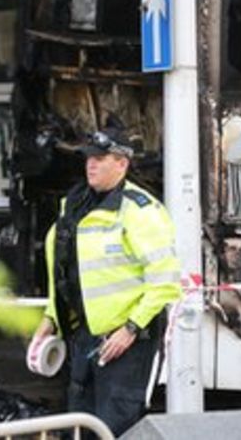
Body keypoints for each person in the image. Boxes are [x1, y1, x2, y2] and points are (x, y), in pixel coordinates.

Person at [29, 126, 181, 436]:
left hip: (126, 344)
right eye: (88, 158)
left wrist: (131, 329)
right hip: (84, 337)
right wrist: (52, 317)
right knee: (81, 427)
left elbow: (165, 280)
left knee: (117, 427)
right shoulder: (73, 205)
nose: (91, 164)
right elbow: (66, 270)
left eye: (100, 158)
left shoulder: (140, 211)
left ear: (122, 164)